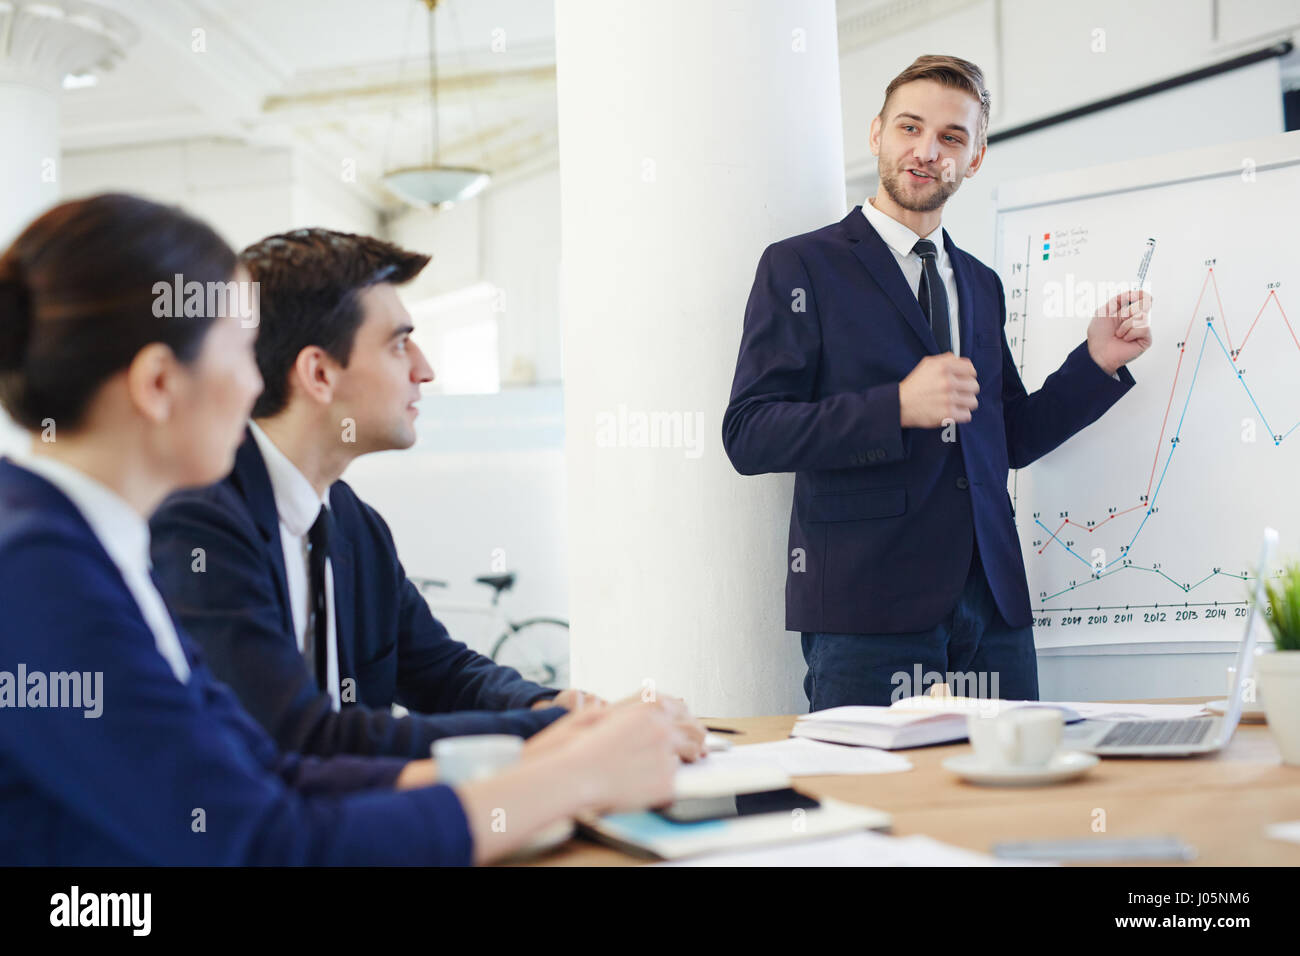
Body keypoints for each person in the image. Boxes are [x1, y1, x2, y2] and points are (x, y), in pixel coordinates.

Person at [0, 193, 679, 864]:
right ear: (157, 384)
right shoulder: (37, 569)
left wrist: (557, 745)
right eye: (240, 351)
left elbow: (268, 770)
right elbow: (261, 841)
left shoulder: (88, 547)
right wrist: (570, 777)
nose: (253, 384)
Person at [147, 226, 705, 761]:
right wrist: (563, 733)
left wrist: (551, 704)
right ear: (319, 374)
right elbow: (295, 736)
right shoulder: (200, 521)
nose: (426, 370)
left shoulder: (352, 526)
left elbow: (442, 672)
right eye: (399, 345)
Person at [722, 55, 1153, 708]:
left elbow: (1004, 437)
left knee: (1012, 800)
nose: (927, 151)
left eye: (952, 137)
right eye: (909, 128)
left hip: (992, 606)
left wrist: (1095, 363)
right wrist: (894, 407)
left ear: (975, 157)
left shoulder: (980, 282)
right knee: (874, 802)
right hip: (868, 612)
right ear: (877, 135)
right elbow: (749, 433)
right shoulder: (801, 266)